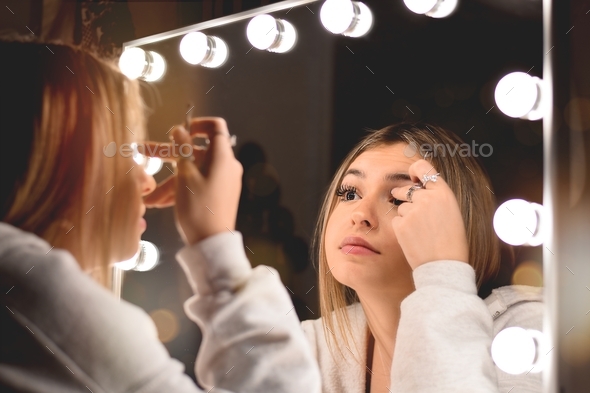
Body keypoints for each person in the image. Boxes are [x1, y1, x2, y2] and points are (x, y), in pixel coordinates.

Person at [0, 36, 321, 392]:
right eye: (119, 151)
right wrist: (216, 246)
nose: (147, 182)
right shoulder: (38, 300)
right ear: (51, 166)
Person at [300, 123, 543, 393]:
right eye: (350, 193)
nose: (361, 214)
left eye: (399, 199)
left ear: (454, 225)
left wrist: (442, 274)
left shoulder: (527, 337)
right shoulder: (314, 349)